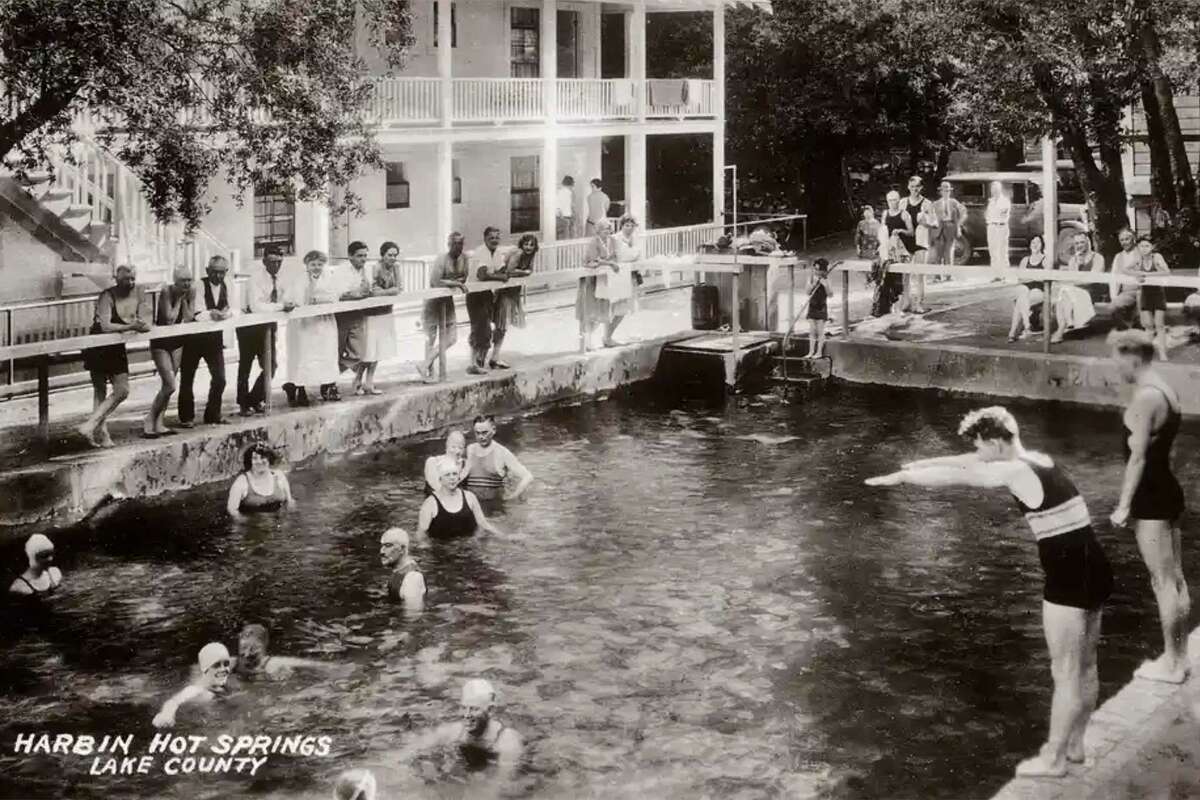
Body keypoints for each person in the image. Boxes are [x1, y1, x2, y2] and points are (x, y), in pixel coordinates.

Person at [865, 406, 1111, 778]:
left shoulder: (1012, 470)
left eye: (982, 446)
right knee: (1087, 665)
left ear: (996, 443)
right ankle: (1075, 747)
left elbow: (959, 477)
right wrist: (921, 461)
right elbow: (967, 460)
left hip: (1069, 577)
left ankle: (1054, 759)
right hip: (1096, 566)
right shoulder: (1038, 458)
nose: (978, 453)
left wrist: (902, 479)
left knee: (1065, 671)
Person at [1110, 330, 1190, 683]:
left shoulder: (1145, 398)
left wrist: (1124, 506)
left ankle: (1172, 664)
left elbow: (1138, 458)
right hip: (1167, 489)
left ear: (1133, 357)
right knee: (1175, 579)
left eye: (1117, 358)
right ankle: (1180, 657)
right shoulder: (1166, 389)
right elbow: (1163, 451)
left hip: (1151, 497)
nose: (1115, 366)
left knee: (1162, 582)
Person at [78, 264, 150, 448]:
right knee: (100, 391)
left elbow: (146, 320)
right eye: (126, 279)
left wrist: (142, 324)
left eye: (133, 278)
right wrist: (131, 326)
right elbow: (105, 326)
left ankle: (90, 425)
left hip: (116, 345)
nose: (131, 282)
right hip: (99, 345)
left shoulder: (138, 294)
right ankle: (102, 434)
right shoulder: (106, 296)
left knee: (122, 390)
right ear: (116, 279)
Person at [397, 679, 524, 778]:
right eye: (463, 707)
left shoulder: (507, 741)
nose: (466, 715)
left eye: (474, 709)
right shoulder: (456, 731)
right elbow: (416, 746)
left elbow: (500, 785)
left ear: (490, 710)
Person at [179, 255, 234, 428]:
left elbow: (232, 307)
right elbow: (196, 312)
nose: (218, 277)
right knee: (188, 378)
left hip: (213, 339)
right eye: (215, 272)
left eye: (222, 273)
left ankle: (212, 414)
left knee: (220, 378)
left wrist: (226, 313)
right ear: (207, 271)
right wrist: (212, 314)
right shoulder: (198, 285)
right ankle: (186, 417)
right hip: (193, 339)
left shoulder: (226, 285)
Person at [240, 245, 296, 416]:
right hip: (249, 326)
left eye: (279, 262)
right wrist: (280, 306)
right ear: (264, 261)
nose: (276, 266)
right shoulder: (255, 279)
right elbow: (256, 307)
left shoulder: (282, 279)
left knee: (271, 364)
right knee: (245, 366)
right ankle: (243, 404)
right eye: (272, 262)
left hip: (268, 324)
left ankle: (255, 399)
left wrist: (286, 304)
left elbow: (288, 298)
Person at [144, 265, 197, 439]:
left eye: (189, 280)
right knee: (170, 385)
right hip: (161, 342)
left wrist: (185, 299)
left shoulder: (191, 291)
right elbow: (169, 319)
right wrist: (180, 300)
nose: (187, 284)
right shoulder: (166, 291)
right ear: (175, 281)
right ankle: (149, 419)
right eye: (183, 281)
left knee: (168, 387)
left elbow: (189, 318)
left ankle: (159, 422)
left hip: (177, 341)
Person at [285, 250, 342, 406]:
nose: (316, 267)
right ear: (307, 265)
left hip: (323, 322)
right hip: (305, 324)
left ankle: (328, 386)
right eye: (313, 264)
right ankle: (300, 389)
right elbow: (292, 298)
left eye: (319, 264)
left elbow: (335, 296)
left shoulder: (328, 278)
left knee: (325, 354)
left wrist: (319, 298)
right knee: (303, 356)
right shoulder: (299, 280)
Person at [420, 233, 469, 383]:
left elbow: (464, 277)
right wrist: (456, 283)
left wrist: (453, 281)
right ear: (449, 245)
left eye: (460, 243)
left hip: (447, 301)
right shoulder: (441, 259)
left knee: (451, 337)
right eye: (455, 243)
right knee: (431, 337)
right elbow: (435, 281)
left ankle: (425, 364)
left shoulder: (464, 258)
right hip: (434, 301)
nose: (458, 247)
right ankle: (429, 373)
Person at [152, 642, 233, 728]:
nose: (223, 669)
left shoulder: (221, 687)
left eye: (226, 664)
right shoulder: (196, 690)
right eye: (216, 665)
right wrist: (166, 714)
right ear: (205, 669)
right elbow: (173, 702)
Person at [417, 456, 501, 539]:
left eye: (454, 474)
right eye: (447, 475)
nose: (452, 478)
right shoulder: (430, 503)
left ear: (458, 477)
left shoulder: (470, 497)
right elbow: (421, 533)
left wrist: (503, 536)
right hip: (441, 549)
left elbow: (483, 523)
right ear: (440, 479)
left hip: (468, 547)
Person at [577, 219, 629, 349]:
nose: (608, 231)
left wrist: (613, 261)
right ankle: (586, 342)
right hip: (593, 280)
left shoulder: (612, 241)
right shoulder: (594, 242)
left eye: (609, 228)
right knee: (591, 310)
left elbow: (618, 255)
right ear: (598, 230)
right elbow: (592, 260)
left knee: (608, 308)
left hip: (607, 279)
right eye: (605, 228)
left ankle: (607, 338)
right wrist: (609, 263)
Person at [489, 234, 537, 369]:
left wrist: (526, 272)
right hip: (505, 293)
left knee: (502, 326)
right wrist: (524, 273)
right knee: (501, 326)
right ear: (522, 244)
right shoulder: (518, 253)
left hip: (514, 293)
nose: (528, 247)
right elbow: (510, 271)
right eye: (526, 244)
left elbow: (530, 270)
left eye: (531, 245)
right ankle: (494, 357)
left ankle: (494, 356)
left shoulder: (530, 255)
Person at [467, 227, 511, 375]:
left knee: (495, 327)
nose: (494, 240)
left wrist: (502, 274)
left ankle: (483, 361)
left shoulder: (497, 252)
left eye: (497, 237)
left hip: (487, 294)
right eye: (491, 238)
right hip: (475, 294)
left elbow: (502, 270)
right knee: (481, 329)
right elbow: (482, 275)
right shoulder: (481, 251)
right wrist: (500, 277)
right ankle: (473, 364)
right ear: (485, 239)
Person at [360, 241, 402, 395]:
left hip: (386, 312)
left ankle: (369, 383)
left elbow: (399, 288)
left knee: (378, 351)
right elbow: (373, 291)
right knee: (369, 350)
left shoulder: (396, 267)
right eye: (389, 255)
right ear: (382, 255)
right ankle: (357, 381)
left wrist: (388, 291)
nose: (392, 258)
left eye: (395, 255)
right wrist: (390, 291)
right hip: (372, 314)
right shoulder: (375, 268)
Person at [233, 623, 341, 680]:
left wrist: (335, 668)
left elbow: (311, 664)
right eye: (243, 649)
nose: (246, 654)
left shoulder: (274, 664)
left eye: (253, 650)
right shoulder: (235, 663)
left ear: (264, 646)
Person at [463, 415, 534, 501]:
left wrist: (513, 497)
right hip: (472, 505)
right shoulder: (470, 449)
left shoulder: (502, 452)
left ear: (493, 430)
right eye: (477, 433)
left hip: (494, 508)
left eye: (485, 432)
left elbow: (527, 476)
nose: (481, 437)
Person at [1051, 233, 1104, 343]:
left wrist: (1076, 280)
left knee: (1064, 291)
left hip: (1091, 291)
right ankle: (1064, 326)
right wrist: (1076, 264)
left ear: (1088, 243)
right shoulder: (1073, 260)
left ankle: (1063, 327)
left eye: (1082, 242)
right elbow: (1071, 278)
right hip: (1074, 291)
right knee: (1065, 292)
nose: (1079, 245)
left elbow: (1093, 278)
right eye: (1076, 243)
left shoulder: (1098, 258)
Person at [337, 241, 374, 398]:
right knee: (336, 351)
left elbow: (368, 290)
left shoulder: (366, 271)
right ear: (350, 256)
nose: (363, 259)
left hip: (358, 314)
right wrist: (357, 293)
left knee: (358, 353)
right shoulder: (342, 270)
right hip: (342, 316)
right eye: (359, 256)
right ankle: (328, 383)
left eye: (365, 255)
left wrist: (364, 292)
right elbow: (340, 293)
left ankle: (329, 375)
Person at [1127, 235, 1171, 362]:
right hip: (1145, 295)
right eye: (1141, 246)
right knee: (1148, 326)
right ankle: (1147, 353)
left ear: (1152, 247)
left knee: (1159, 325)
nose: (1144, 248)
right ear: (1138, 247)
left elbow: (1167, 272)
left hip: (1158, 294)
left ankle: (1163, 353)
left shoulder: (1156, 257)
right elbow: (1125, 269)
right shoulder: (1138, 259)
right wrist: (1137, 274)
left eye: (1147, 246)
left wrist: (1146, 274)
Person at [226, 442, 294, 517]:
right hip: (253, 524)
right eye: (255, 458)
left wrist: (289, 518)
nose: (259, 462)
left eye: (263, 457)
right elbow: (232, 510)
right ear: (249, 461)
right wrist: (245, 522)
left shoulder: (279, 476)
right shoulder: (241, 482)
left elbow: (290, 501)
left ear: (269, 459)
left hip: (278, 521)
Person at [900, 176, 933, 314]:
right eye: (912, 186)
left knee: (919, 274)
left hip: (920, 242)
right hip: (905, 242)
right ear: (908, 187)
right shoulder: (902, 203)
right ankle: (905, 302)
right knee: (904, 274)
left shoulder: (927, 203)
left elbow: (935, 223)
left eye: (917, 186)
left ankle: (919, 303)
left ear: (921, 187)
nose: (915, 189)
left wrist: (924, 221)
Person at [1007, 234, 1048, 341]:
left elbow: (1044, 279)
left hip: (1039, 290)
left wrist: (1029, 277)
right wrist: (1034, 277)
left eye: (1038, 242)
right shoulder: (1025, 260)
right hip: (1025, 290)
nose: (1035, 245)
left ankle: (1013, 332)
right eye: (1033, 242)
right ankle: (1027, 327)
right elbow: (1020, 279)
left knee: (1022, 300)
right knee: (1022, 292)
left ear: (1042, 245)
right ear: (1030, 245)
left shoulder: (1045, 259)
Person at [930, 181, 967, 282]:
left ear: (950, 192)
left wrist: (958, 225)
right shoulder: (935, 204)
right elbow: (930, 216)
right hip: (938, 229)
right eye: (944, 190)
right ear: (940, 192)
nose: (946, 192)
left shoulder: (954, 202)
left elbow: (964, 212)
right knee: (938, 253)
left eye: (948, 191)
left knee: (949, 252)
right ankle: (937, 276)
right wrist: (933, 223)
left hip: (950, 227)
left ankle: (949, 275)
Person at [380, 527, 426, 602]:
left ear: (402, 549)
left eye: (388, 545)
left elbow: (413, 613)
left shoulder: (412, 578)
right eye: (382, 546)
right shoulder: (400, 571)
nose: (381, 551)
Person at [1109, 228, 1142, 330]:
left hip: (1144, 290)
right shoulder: (1118, 257)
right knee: (1113, 307)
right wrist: (1114, 297)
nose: (1124, 242)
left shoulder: (1143, 252)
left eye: (1127, 239)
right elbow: (1114, 279)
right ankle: (1125, 330)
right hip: (1127, 292)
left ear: (1133, 239)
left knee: (1142, 312)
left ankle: (1140, 327)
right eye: (1122, 240)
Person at [801, 259, 830, 359]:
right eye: (815, 269)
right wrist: (813, 284)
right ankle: (811, 351)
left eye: (818, 270)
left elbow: (830, 294)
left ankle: (819, 352)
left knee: (820, 331)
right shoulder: (811, 278)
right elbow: (807, 292)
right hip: (812, 306)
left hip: (821, 307)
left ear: (823, 270)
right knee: (812, 330)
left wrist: (825, 285)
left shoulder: (826, 279)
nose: (816, 271)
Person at [425, 430, 468, 496]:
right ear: (447, 446)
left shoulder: (465, 465)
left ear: (464, 450)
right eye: (453, 447)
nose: (457, 451)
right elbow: (437, 487)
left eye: (461, 448)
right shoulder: (433, 462)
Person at [985, 180, 1012, 271]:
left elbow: (1002, 213)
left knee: (1002, 251)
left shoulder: (1005, 201)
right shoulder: (991, 201)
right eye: (993, 189)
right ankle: (995, 274)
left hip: (1001, 227)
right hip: (991, 227)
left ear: (1000, 189)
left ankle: (1004, 273)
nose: (994, 191)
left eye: (996, 189)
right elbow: (988, 214)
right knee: (993, 251)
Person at [556, 175, 576, 240]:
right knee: (565, 239)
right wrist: (563, 219)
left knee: (568, 238)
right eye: (572, 184)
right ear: (570, 184)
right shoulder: (562, 192)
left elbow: (570, 206)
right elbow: (558, 207)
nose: (573, 186)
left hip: (567, 218)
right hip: (564, 218)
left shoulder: (567, 192)